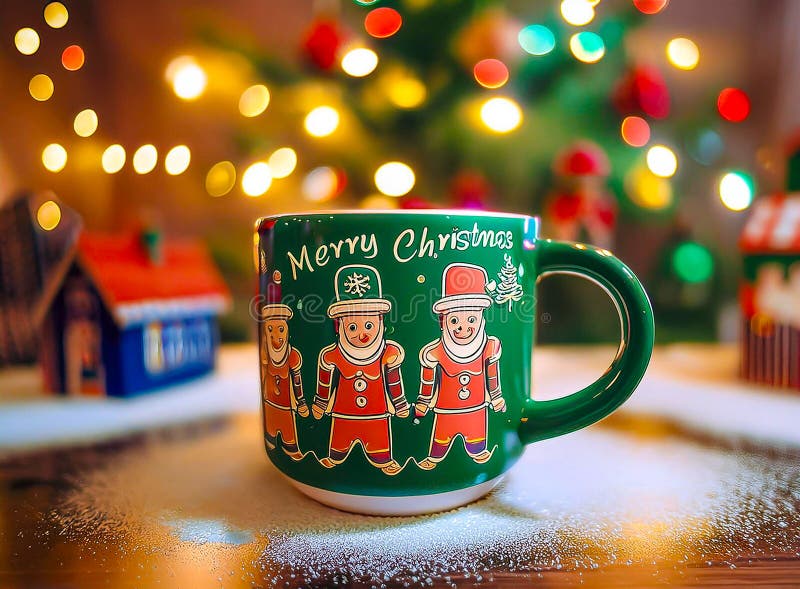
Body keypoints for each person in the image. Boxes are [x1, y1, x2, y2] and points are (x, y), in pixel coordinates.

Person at [313, 265, 409, 476]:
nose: (362, 334)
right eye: (352, 327)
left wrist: (400, 403)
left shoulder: (387, 353)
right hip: (343, 412)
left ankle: (383, 458)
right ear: (339, 327)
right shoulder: (334, 355)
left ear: (381, 322)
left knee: (378, 438)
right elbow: (324, 381)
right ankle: (335, 456)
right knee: (341, 435)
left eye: (369, 325)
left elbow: (394, 380)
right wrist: (320, 403)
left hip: (377, 413)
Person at [415, 263, 506, 470]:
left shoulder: (488, 347)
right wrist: (423, 402)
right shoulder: (437, 351)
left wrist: (496, 396)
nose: (463, 328)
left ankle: (478, 451)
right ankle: (435, 457)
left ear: (481, 319)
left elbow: (492, 375)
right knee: (441, 436)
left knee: (476, 436)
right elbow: (428, 380)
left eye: (471, 319)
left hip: (476, 408)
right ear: (443, 322)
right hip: (445, 409)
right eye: (454, 320)